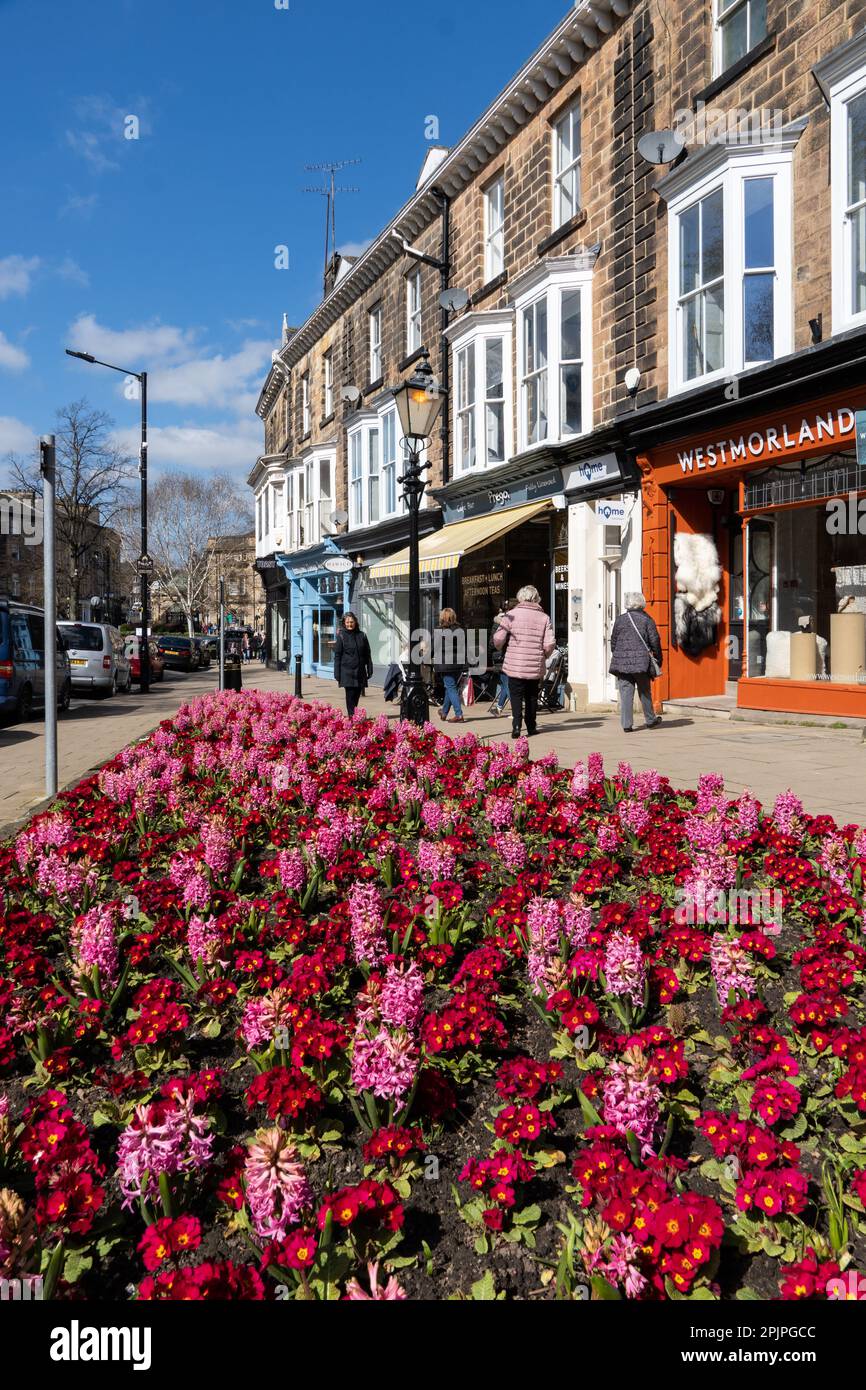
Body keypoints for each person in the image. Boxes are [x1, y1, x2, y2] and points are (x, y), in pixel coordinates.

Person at [493, 585, 556, 739]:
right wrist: (543, 656)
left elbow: (498, 638)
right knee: (532, 696)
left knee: (515, 695)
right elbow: (549, 644)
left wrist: (499, 647)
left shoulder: (511, 615)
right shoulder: (544, 617)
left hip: (515, 664)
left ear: (520, 598)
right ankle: (531, 726)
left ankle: (516, 726)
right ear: (536, 598)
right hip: (534, 664)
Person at [609, 592, 663, 733]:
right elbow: (655, 641)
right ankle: (650, 720)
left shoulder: (620, 620)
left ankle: (627, 725)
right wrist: (658, 658)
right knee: (644, 691)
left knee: (626, 692)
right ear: (641, 603)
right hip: (641, 662)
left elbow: (613, 641)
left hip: (622, 663)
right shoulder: (647, 620)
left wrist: (618, 655)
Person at [334, 612, 373, 717]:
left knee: (356, 696)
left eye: (351, 622)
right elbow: (337, 656)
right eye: (347, 622)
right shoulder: (341, 636)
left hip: (360, 672)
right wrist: (337, 673)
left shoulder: (362, 635)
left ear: (355, 622)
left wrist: (369, 668)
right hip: (347, 672)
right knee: (350, 696)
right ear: (344, 623)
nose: (349, 624)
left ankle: (354, 715)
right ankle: (352, 717)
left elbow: (367, 654)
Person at [432, 608, 466, 723]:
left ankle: (459, 714)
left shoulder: (439, 631)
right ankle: (444, 712)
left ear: (442, 617)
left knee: (451, 688)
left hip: (445, 664)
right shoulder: (460, 630)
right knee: (450, 687)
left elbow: (433, 647)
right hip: (457, 663)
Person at [489, 599, 515, 716]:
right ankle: (499, 708)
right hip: (504, 655)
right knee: (506, 682)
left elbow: (492, 643)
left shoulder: (500, 622)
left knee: (506, 683)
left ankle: (515, 710)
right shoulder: (510, 621)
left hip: (502, 656)